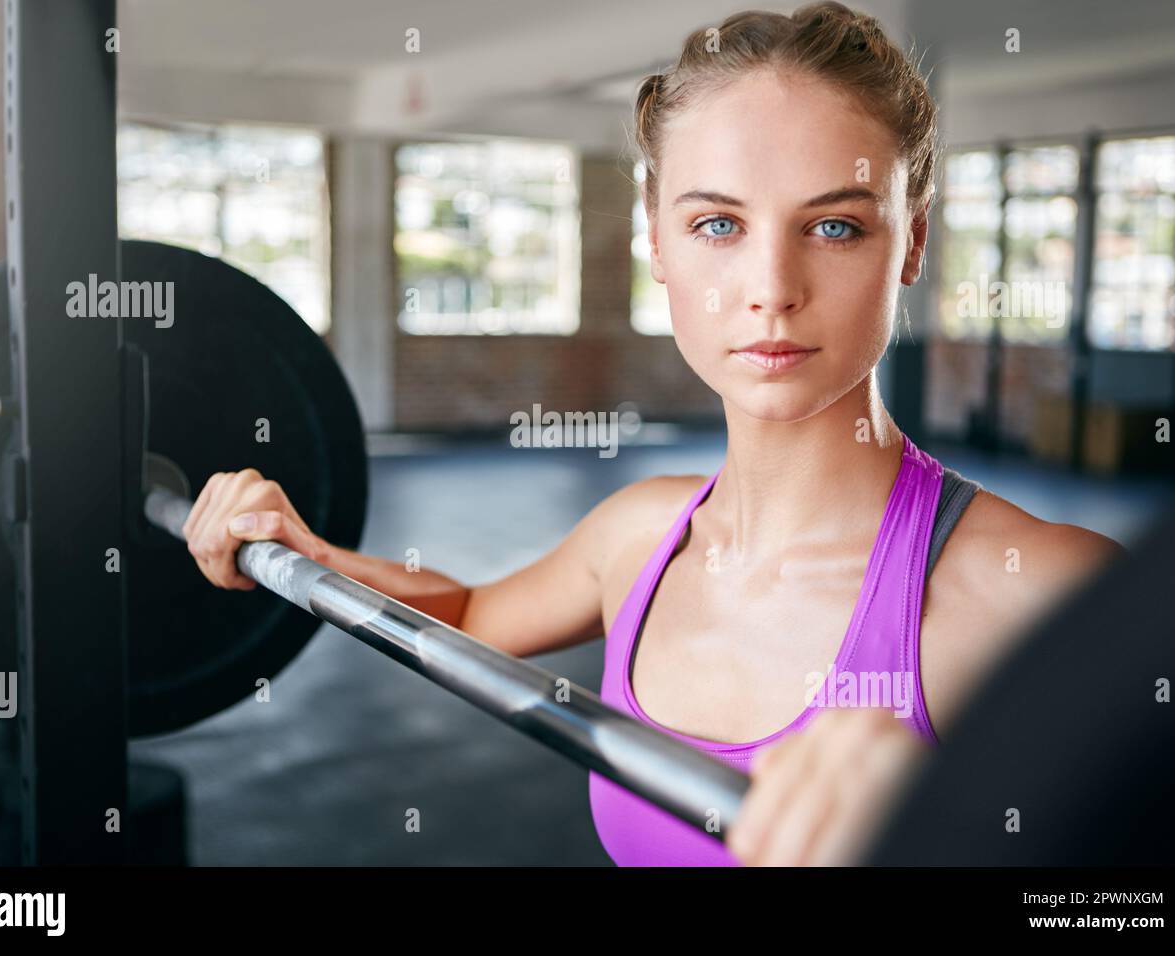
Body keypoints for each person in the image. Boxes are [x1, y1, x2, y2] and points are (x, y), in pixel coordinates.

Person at [182, 2, 1123, 866]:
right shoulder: (640, 537)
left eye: (834, 227)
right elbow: (468, 618)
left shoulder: (1040, 593)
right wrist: (313, 553)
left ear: (912, 239)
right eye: (718, 223)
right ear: (658, 241)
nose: (770, 287)